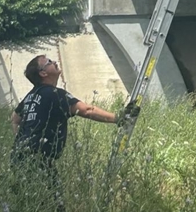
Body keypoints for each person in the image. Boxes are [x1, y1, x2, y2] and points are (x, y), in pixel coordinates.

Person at [10, 55, 119, 210]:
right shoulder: (55, 93)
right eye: (49, 62)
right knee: (53, 205)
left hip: (19, 157)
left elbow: (14, 118)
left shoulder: (31, 96)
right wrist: (119, 118)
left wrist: (21, 140)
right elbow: (87, 110)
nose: (54, 62)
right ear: (43, 73)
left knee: (33, 204)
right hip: (38, 159)